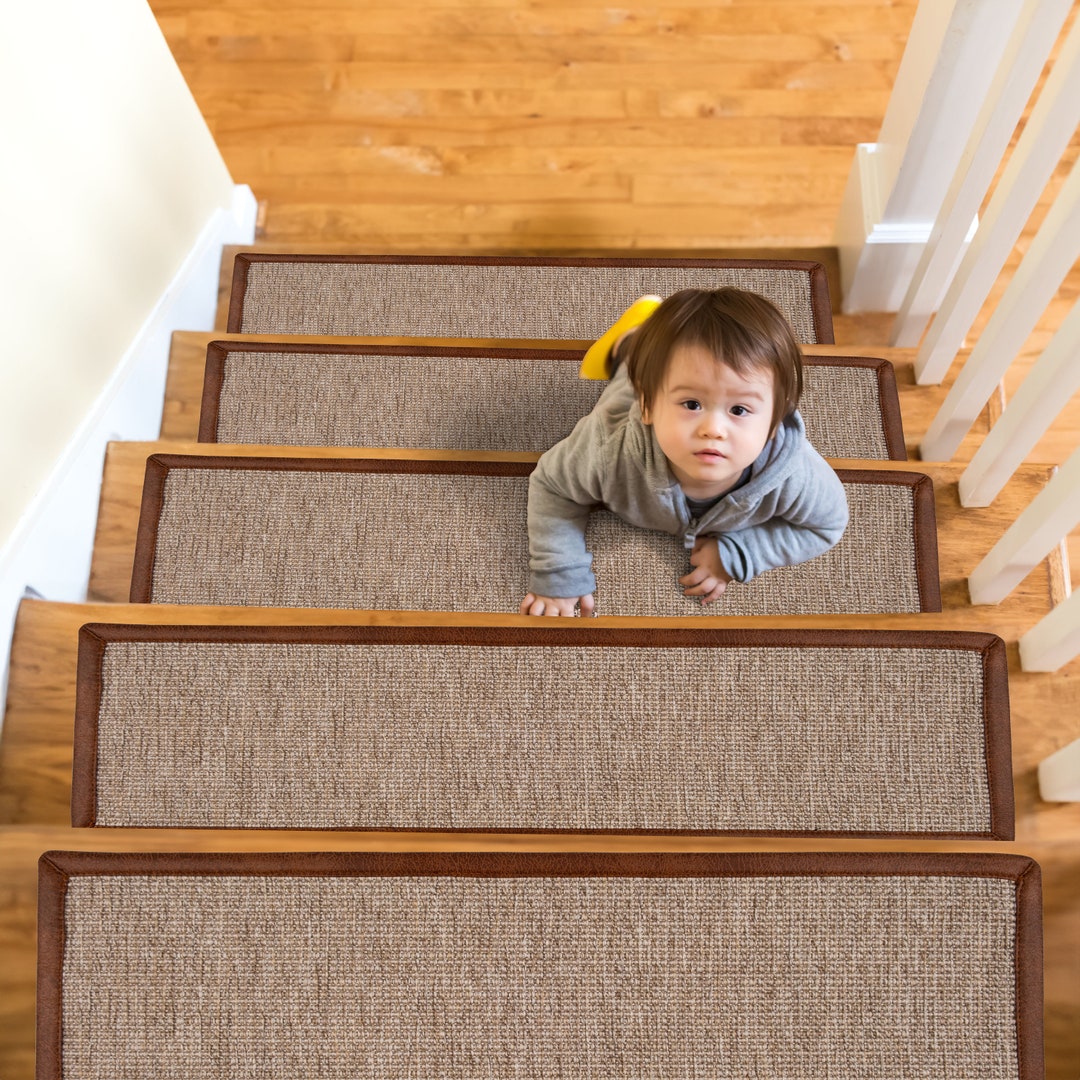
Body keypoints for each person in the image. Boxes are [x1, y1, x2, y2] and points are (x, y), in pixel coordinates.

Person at [519, 287, 849, 617]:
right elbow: (552, 484)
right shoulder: (607, 449)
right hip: (630, 392)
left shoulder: (793, 474)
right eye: (692, 404)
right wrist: (558, 572)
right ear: (648, 407)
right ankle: (633, 335)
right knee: (632, 362)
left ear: (775, 421)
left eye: (739, 410)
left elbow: (827, 525)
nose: (713, 429)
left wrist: (742, 552)